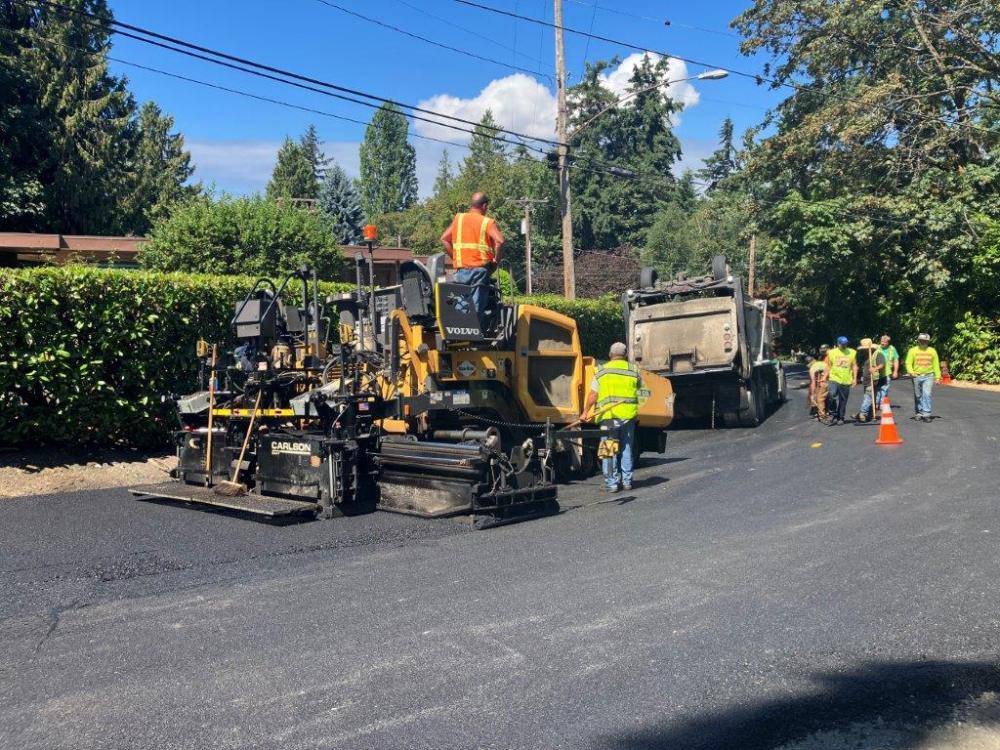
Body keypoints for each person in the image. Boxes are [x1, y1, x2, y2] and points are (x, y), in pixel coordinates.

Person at [582, 342, 640, 493]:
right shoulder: (633, 370)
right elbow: (639, 391)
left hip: (608, 418)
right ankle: (627, 481)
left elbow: (593, 395)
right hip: (628, 416)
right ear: (625, 355)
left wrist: (585, 412)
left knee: (609, 450)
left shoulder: (602, 371)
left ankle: (612, 483)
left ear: (610, 354)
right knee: (627, 449)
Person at [439, 192, 505, 321]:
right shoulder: (487, 222)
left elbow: (444, 239)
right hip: (479, 272)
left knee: (461, 307)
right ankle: (476, 337)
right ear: (484, 206)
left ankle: (460, 334)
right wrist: (496, 262)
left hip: (461, 271)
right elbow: (500, 241)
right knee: (476, 309)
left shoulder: (459, 219)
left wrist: (456, 258)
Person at [905, 333, 941, 422]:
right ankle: (919, 413)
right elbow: (908, 363)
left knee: (927, 394)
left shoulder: (932, 351)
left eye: (925, 341)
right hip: (916, 376)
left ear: (928, 341)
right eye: (921, 340)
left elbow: (936, 364)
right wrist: (911, 372)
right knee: (918, 395)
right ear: (918, 341)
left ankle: (926, 414)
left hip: (929, 376)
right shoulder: (912, 351)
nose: (923, 342)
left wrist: (938, 377)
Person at [824, 336, 858, 425]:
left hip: (846, 379)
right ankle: (832, 414)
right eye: (842, 344)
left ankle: (840, 417)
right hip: (834, 378)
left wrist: (854, 378)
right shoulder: (831, 352)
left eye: (846, 344)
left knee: (843, 400)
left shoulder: (852, 352)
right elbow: (828, 365)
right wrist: (824, 377)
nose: (844, 345)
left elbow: (854, 365)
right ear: (838, 344)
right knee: (832, 395)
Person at [854, 338, 887, 422]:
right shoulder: (865, 355)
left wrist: (875, 368)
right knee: (870, 397)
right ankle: (870, 414)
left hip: (873, 379)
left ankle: (863, 413)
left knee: (868, 396)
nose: (865, 350)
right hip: (866, 380)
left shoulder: (877, 354)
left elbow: (882, 364)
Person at [876, 334, 900, 407]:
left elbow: (896, 360)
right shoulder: (877, 348)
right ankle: (876, 403)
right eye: (881, 341)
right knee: (877, 389)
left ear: (888, 342)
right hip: (877, 372)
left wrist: (895, 371)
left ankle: (882, 404)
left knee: (884, 389)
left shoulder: (892, 349)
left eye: (884, 342)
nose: (882, 343)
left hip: (887, 372)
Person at [808, 345, 830, 422]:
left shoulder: (812, 368)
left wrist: (812, 394)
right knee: (826, 398)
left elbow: (813, 382)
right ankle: (827, 412)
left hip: (821, 384)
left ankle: (821, 415)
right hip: (829, 382)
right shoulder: (824, 363)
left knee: (819, 399)